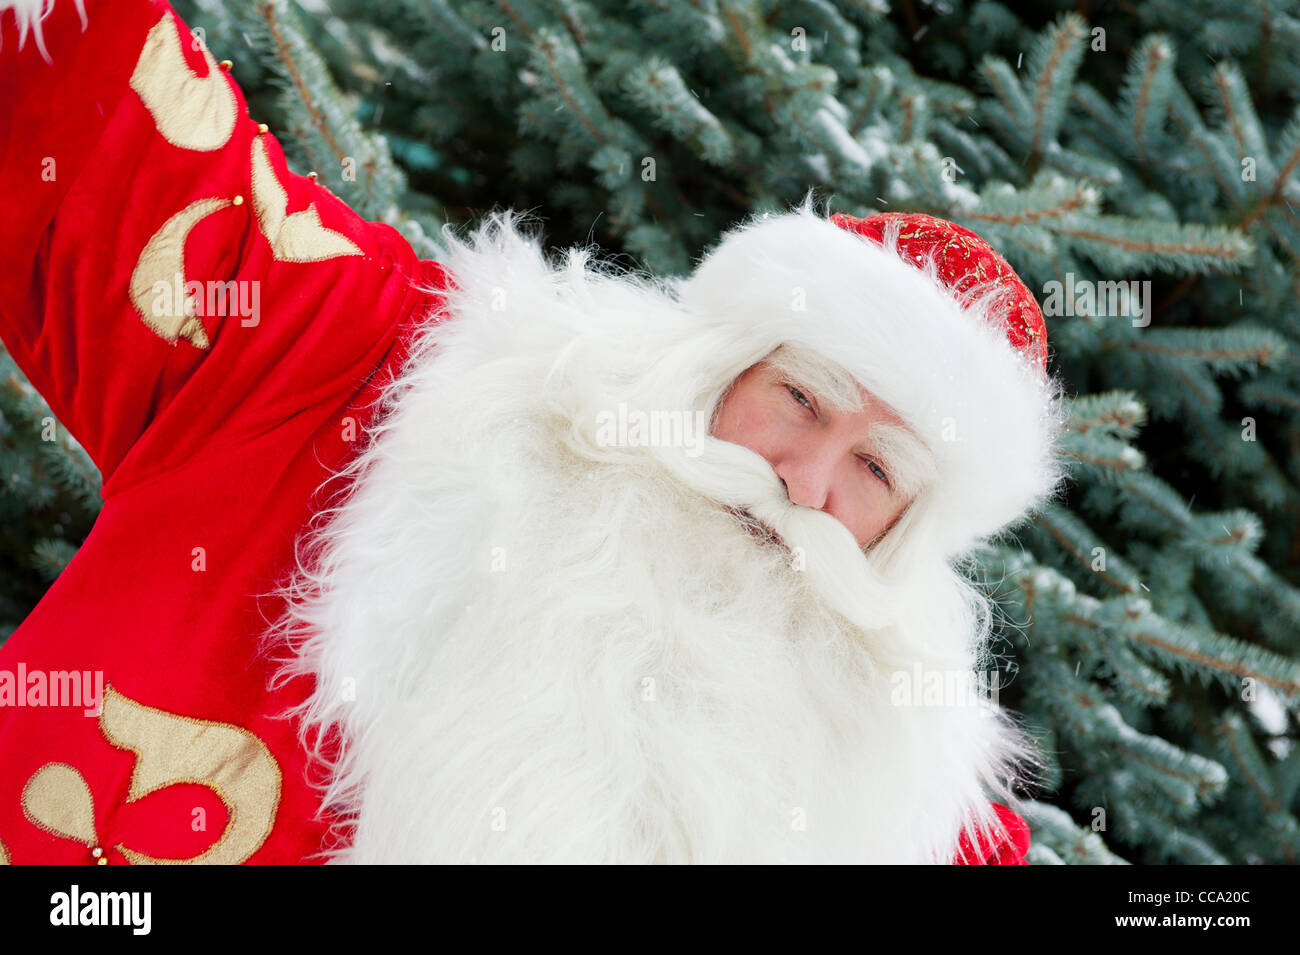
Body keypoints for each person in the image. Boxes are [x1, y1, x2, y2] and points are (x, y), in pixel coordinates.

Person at [0, 0, 1067, 864]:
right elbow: (111, 139)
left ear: (912, 526)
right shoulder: (368, 363)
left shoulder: (912, 800)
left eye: (875, 469)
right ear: (720, 360)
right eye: (800, 398)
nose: (802, 480)